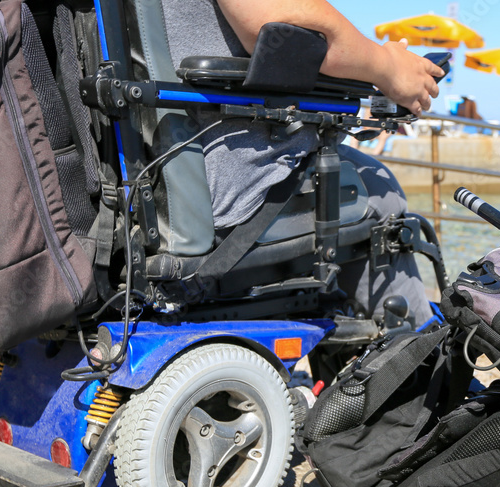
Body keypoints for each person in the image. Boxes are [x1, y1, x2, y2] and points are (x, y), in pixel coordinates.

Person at [170, 0, 444, 324]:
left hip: (169, 177)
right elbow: (272, 23)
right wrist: (386, 67)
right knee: (377, 186)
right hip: (232, 189)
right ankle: (420, 361)